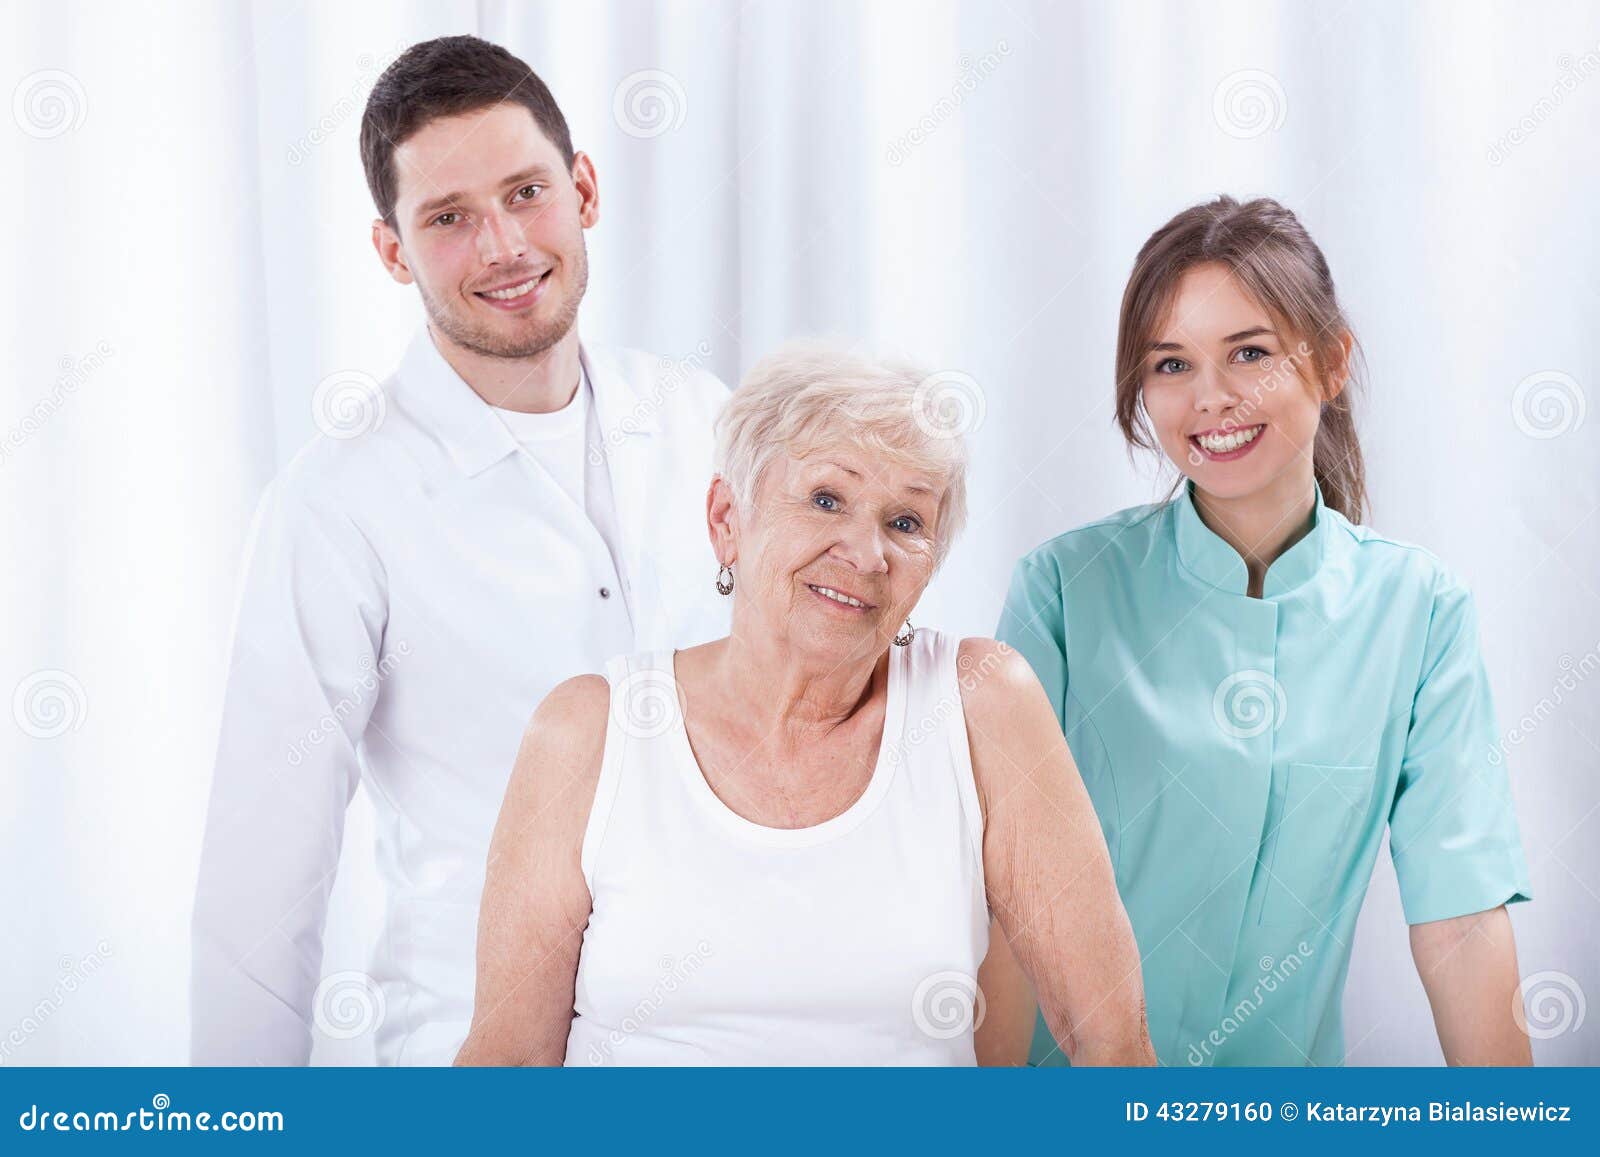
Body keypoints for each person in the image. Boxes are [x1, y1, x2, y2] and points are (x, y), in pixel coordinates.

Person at [191, 35, 731, 1065]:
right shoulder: (336, 502)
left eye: (526, 191)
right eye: (447, 219)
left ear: (583, 188)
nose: (503, 246)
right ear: (393, 250)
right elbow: (261, 882)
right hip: (476, 1056)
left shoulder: (700, 416)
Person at [454, 343, 1155, 1065]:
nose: (866, 551)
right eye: (826, 499)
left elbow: (1112, 1045)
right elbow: (505, 1067)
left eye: (906, 522)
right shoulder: (588, 730)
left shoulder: (982, 702)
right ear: (727, 518)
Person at [995, 196, 1534, 1066]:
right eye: (1171, 364)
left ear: (1327, 363)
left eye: (1249, 352)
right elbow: (1003, 905)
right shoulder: (1063, 591)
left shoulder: (1421, 609)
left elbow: (1462, 917)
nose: (1210, 399)